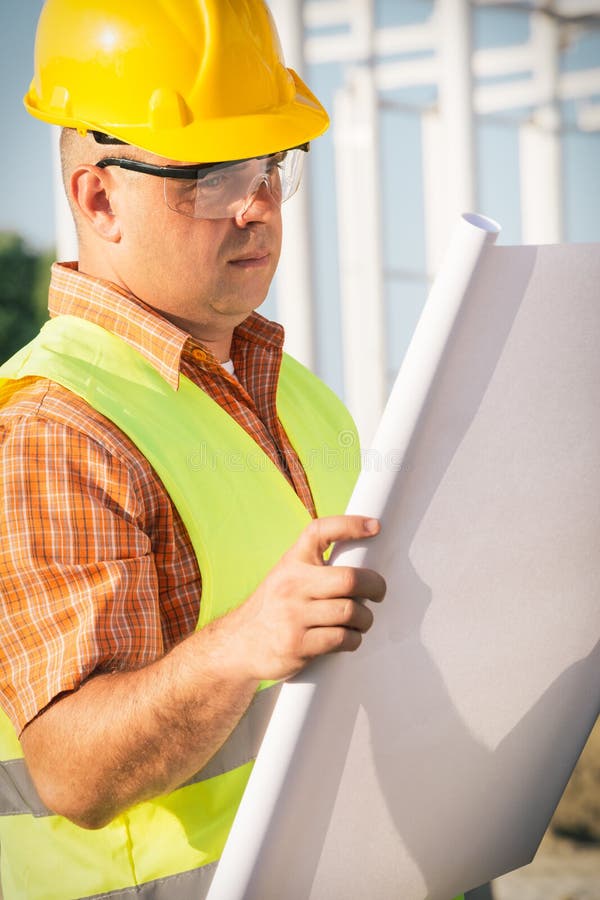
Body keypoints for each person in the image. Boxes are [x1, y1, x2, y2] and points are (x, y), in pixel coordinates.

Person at [0, 1, 387, 897]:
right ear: (99, 198)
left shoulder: (296, 392)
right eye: (208, 175)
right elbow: (74, 775)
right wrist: (241, 646)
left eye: (267, 163)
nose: (256, 202)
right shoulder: (55, 429)